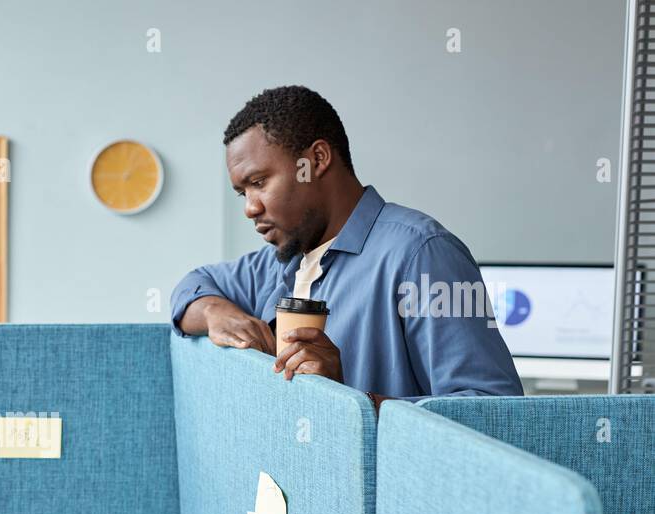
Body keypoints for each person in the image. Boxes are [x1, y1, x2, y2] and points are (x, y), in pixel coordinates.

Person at [171, 85, 522, 408]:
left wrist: (349, 402)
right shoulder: (282, 261)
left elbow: (491, 410)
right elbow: (191, 287)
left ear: (317, 160)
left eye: (260, 182)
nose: (250, 207)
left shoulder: (423, 254)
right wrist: (217, 313)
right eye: (242, 193)